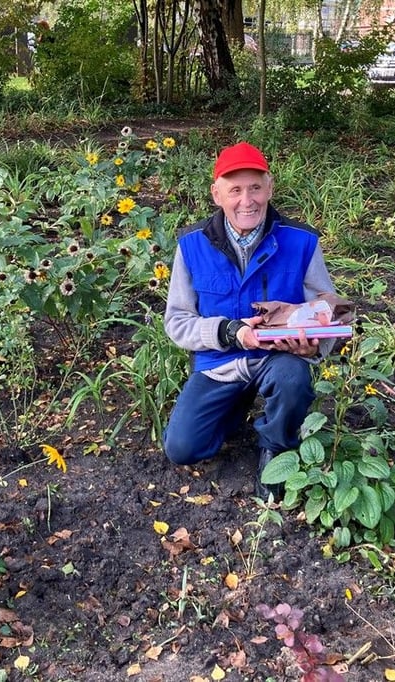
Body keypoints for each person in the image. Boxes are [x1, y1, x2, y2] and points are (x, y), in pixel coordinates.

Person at [162, 141, 337, 500]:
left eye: (256, 188)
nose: (248, 201)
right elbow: (177, 321)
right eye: (235, 190)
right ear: (216, 194)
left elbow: (329, 307)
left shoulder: (302, 241)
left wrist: (316, 343)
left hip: (277, 359)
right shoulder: (191, 245)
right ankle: (237, 405)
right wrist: (230, 331)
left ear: (270, 188)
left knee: (293, 376)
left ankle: (275, 449)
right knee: (182, 449)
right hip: (219, 363)